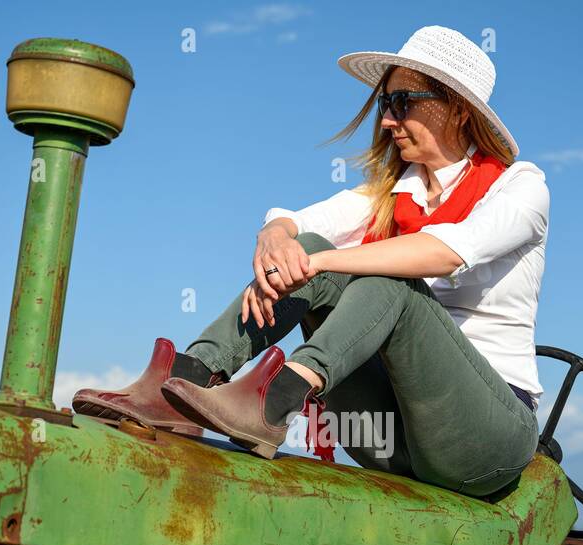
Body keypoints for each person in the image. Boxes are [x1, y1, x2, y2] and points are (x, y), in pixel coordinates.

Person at [73, 25, 550, 497]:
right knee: (319, 246)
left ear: (458, 110)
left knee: (384, 278)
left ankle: (273, 400)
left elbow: (444, 253)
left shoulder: (521, 188)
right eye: (386, 104)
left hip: (484, 439)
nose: (386, 120)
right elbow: (294, 221)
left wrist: (324, 262)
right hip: (385, 433)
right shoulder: (392, 193)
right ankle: (186, 380)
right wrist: (274, 239)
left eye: (402, 102)